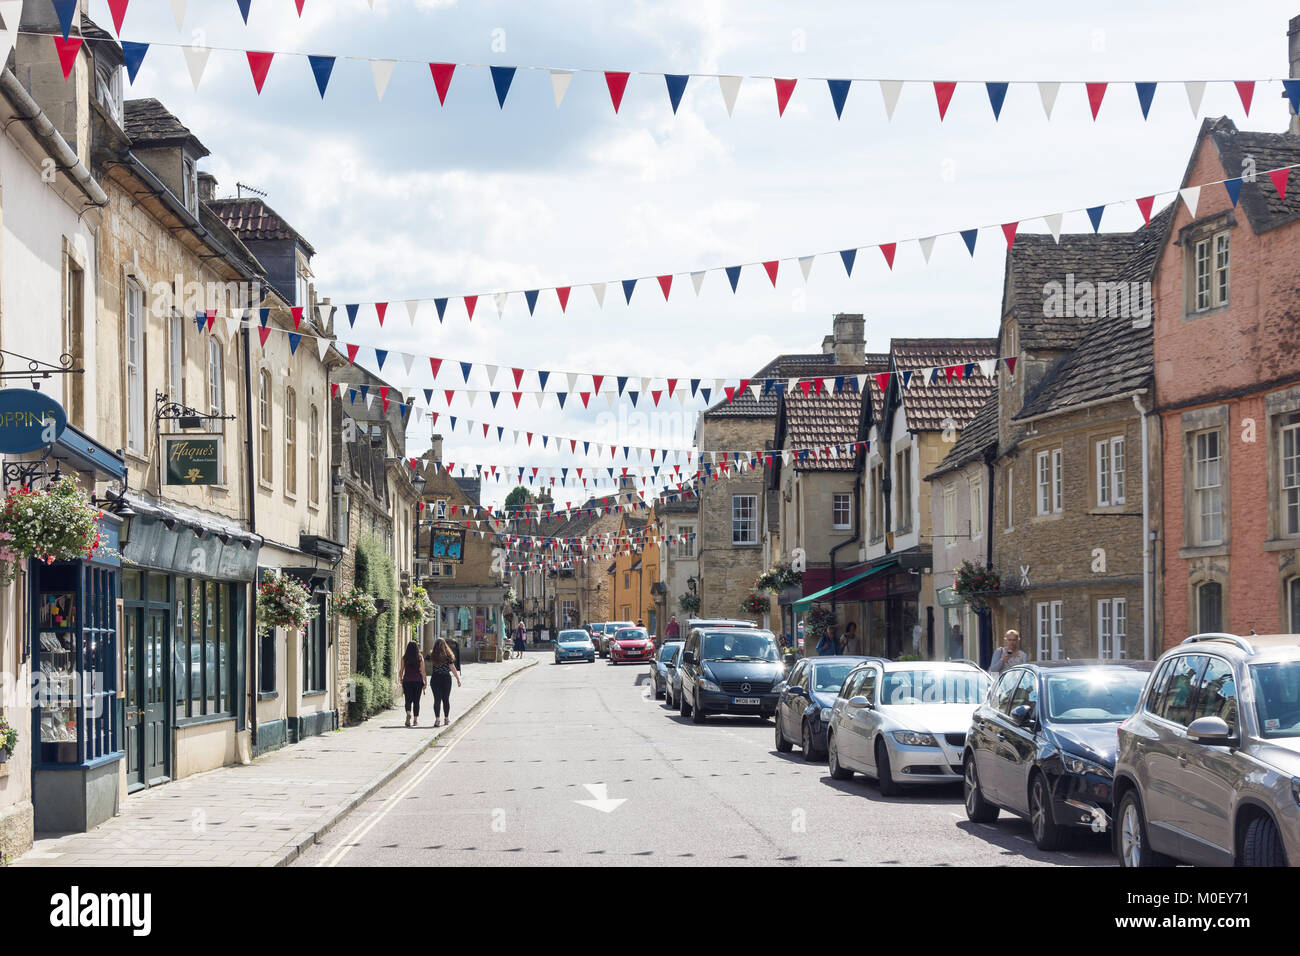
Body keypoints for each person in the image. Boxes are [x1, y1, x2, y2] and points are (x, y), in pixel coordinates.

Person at [428, 637, 462, 726]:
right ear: (445, 645)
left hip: (435, 679)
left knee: (437, 700)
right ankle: (446, 719)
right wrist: (458, 679)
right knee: (445, 699)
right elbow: (453, 668)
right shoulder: (448, 656)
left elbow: (426, 659)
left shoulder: (432, 655)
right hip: (446, 679)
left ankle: (437, 720)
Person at [398, 640, 425, 728]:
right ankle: (415, 720)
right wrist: (425, 682)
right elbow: (423, 671)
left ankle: (408, 713)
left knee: (408, 700)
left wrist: (401, 678)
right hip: (418, 681)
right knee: (416, 701)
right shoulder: (420, 657)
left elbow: (401, 670)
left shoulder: (404, 657)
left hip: (407, 681)